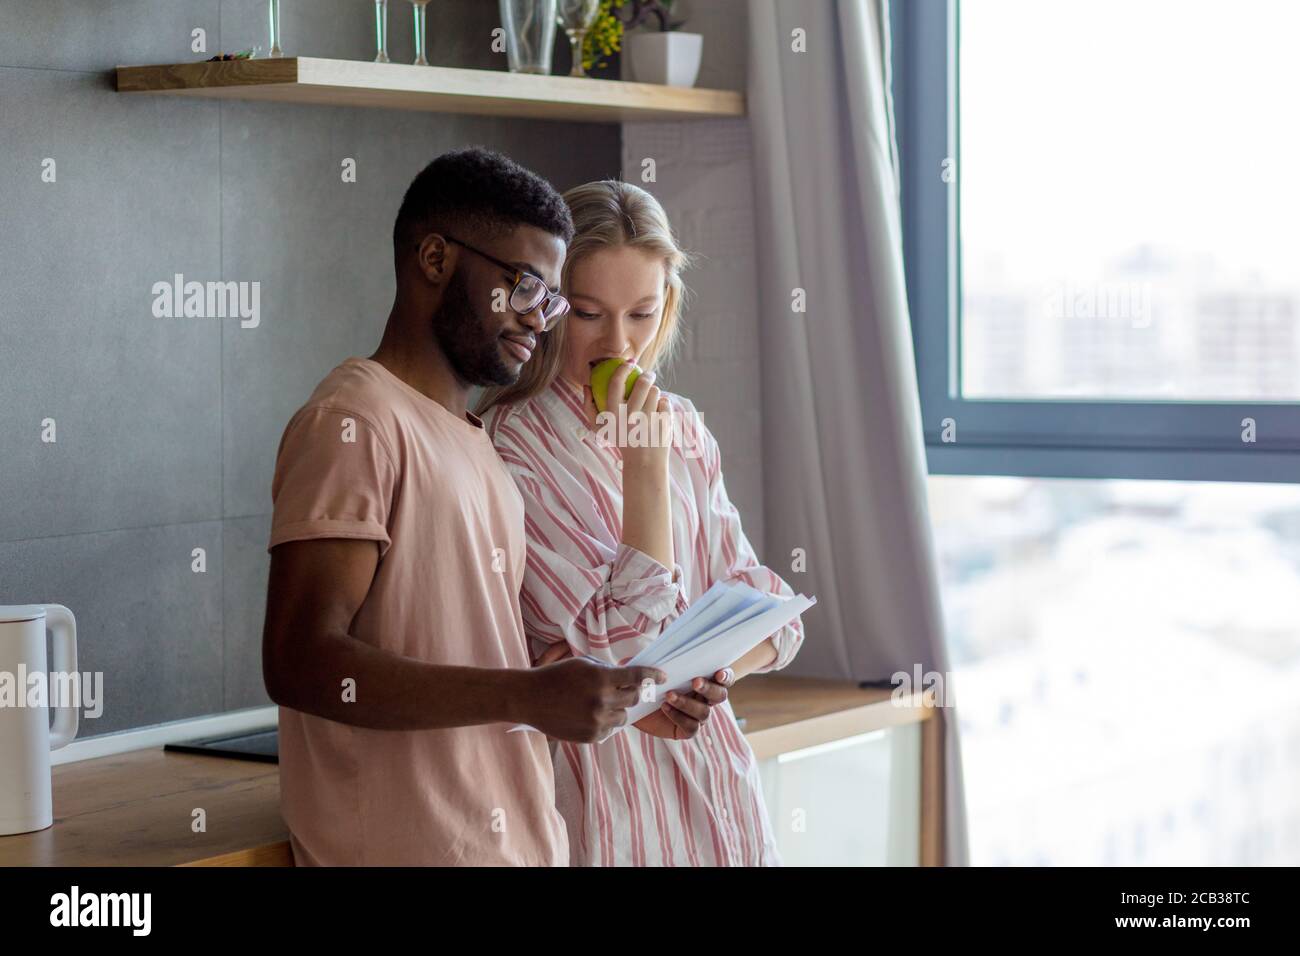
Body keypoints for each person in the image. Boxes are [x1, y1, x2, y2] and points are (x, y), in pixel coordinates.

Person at [261, 149, 668, 866]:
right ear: (435, 259)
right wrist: (526, 696)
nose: (540, 322)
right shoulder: (353, 421)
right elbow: (300, 660)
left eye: (552, 303)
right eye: (525, 288)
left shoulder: (478, 445)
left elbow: (473, 648)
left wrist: (591, 692)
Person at [479, 179, 806, 866]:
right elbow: (625, 646)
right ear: (551, 306)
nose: (618, 345)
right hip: (610, 808)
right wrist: (644, 468)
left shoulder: (681, 424)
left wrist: (711, 681)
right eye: (591, 314)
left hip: (722, 798)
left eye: (642, 314)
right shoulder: (509, 447)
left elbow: (773, 607)